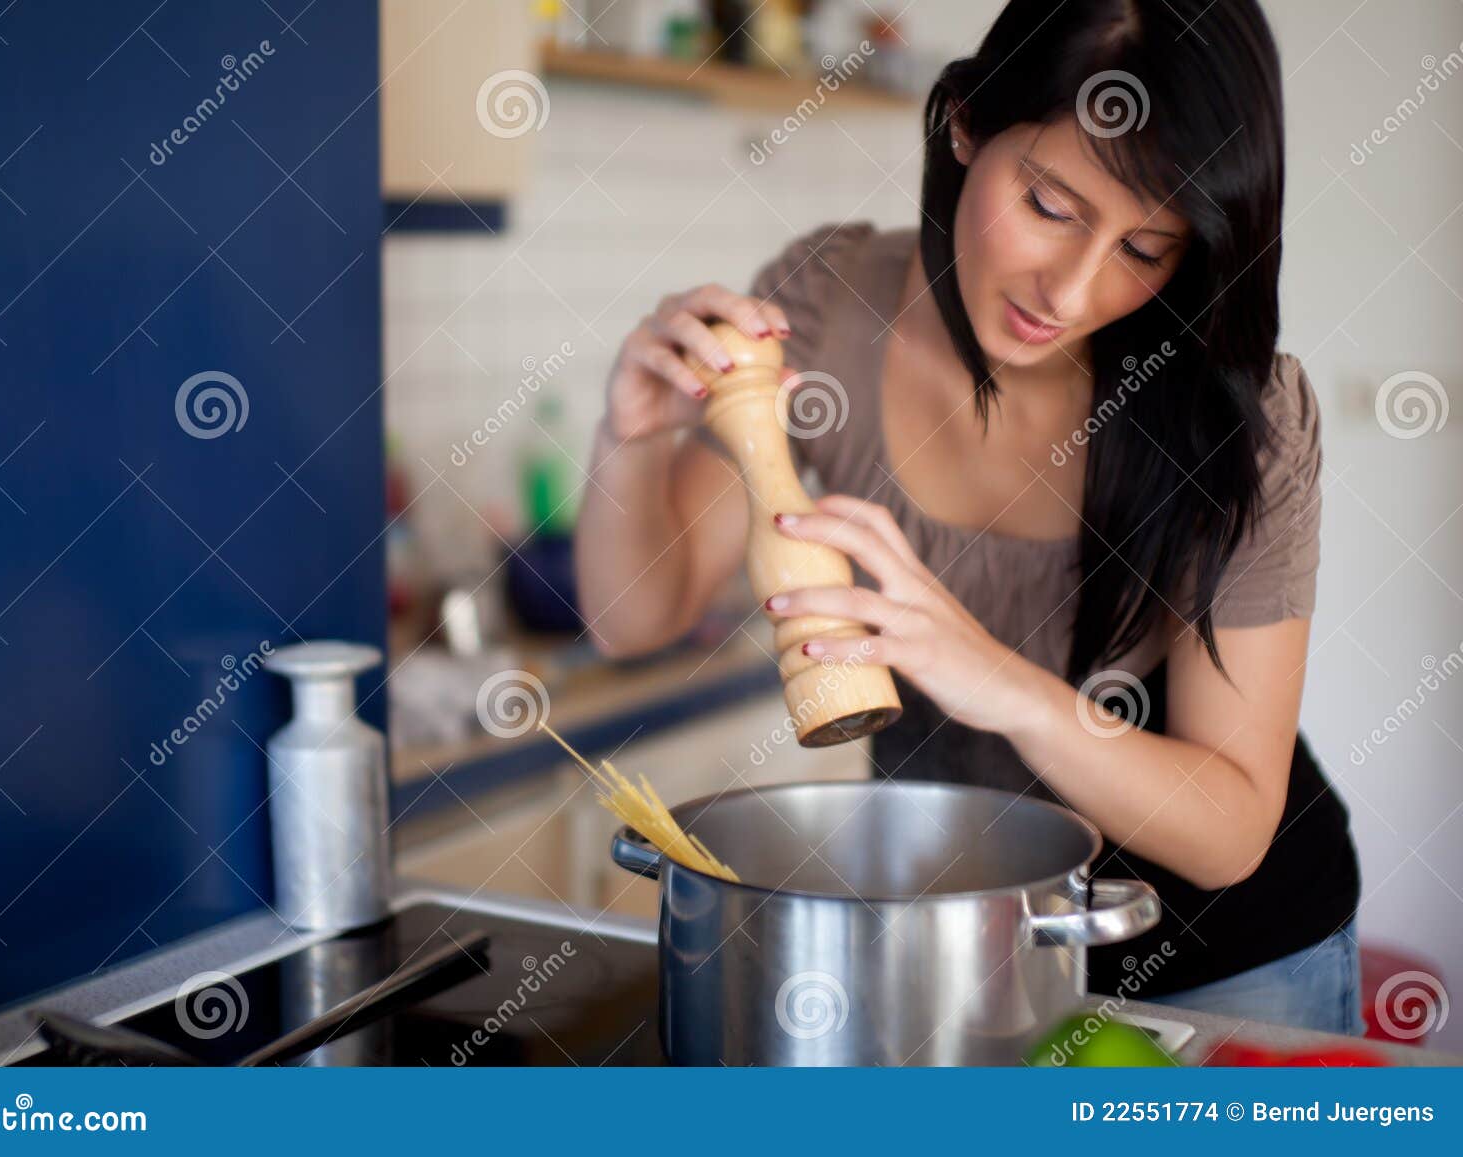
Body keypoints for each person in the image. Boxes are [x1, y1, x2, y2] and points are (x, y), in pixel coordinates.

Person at [572, 0, 1362, 1035]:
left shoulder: (1241, 410)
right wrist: (632, 438)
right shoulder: (826, 310)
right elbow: (634, 615)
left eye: (1146, 247)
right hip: (953, 950)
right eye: (1049, 203)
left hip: (1231, 966)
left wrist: (991, 675)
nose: (1071, 290)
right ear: (963, 122)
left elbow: (1227, 827)